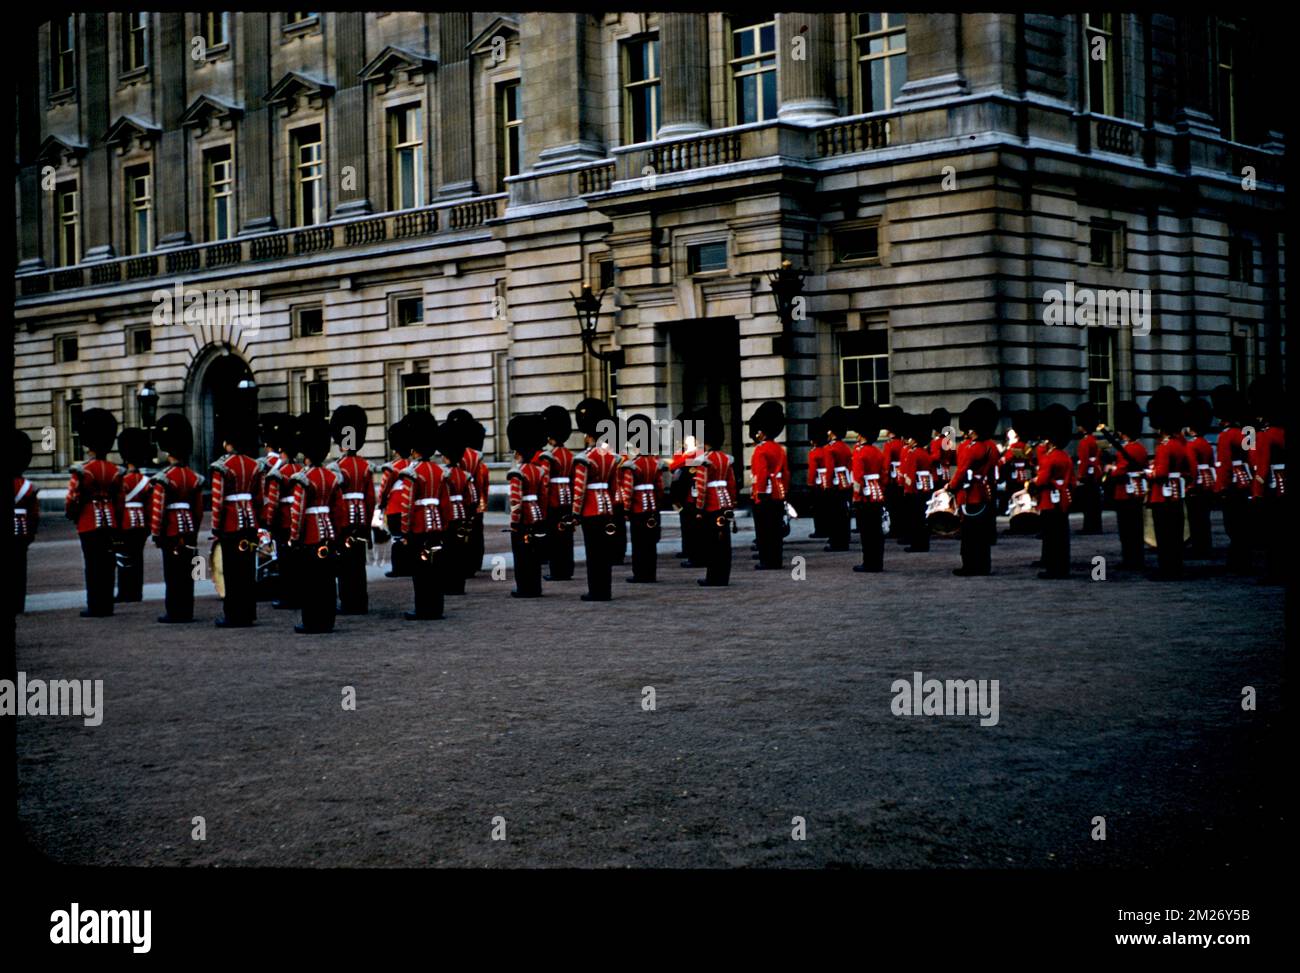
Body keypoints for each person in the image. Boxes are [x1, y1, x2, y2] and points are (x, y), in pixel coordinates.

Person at [289, 415, 343, 634]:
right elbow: (338, 511)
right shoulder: (331, 477)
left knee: (310, 582)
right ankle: (327, 620)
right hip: (328, 532)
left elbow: (298, 511)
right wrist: (337, 535)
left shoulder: (303, 478)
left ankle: (311, 621)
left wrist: (294, 537)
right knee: (328, 580)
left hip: (310, 534)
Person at [209, 409, 263, 627]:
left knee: (232, 572)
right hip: (250, 522)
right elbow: (260, 499)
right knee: (248, 570)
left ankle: (234, 614)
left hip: (231, 523)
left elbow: (217, 501)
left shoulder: (222, 467)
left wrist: (215, 527)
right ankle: (249, 612)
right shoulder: (254, 465)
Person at [66, 408, 121, 617]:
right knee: (108, 564)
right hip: (110, 519)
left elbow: (73, 498)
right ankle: (107, 604)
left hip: (89, 520)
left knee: (92, 564)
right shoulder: (115, 471)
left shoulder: (83, 470)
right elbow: (120, 500)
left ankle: (95, 604)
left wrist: (73, 514)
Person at [148, 413, 203, 624]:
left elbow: (159, 508)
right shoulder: (193, 477)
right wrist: (195, 532)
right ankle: (187, 609)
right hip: (188, 528)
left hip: (171, 529)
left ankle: (175, 610)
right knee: (188, 572)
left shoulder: (164, 478)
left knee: (172, 573)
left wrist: (156, 533)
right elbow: (198, 511)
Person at [398, 410, 451, 620]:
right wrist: (445, 526)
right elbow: (445, 504)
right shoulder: (439, 471)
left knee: (420, 572)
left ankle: (423, 608)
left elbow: (407, 505)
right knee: (435, 569)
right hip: (437, 524)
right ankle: (436, 607)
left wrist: (404, 531)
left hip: (419, 526)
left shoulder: (412, 472)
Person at [572, 398, 620, 602]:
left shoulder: (586, 458)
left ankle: (596, 591)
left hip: (591, 509)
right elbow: (614, 486)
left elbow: (580, 489)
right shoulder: (611, 456)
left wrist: (575, 512)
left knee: (593, 553)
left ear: (587, 435)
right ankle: (605, 589)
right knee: (604, 553)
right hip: (607, 507)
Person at [328, 404, 374, 615]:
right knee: (358, 562)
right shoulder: (364, 466)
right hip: (361, 518)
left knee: (345, 564)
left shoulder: (338, 467)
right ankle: (360, 601)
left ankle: (348, 601)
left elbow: (335, 500)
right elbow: (371, 499)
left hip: (345, 519)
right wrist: (367, 524)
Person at [947, 397, 1000, 576]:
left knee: (970, 534)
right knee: (983, 534)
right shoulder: (992, 446)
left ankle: (970, 565)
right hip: (986, 492)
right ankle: (984, 565)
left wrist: (950, 488)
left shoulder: (971, 448)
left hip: (971, 494)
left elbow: (961, 471)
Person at [1145, 387, 1191, 581]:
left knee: (1164, 536)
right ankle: (1176, 567)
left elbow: (1161, 473)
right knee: (1175, 534)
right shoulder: (1179, 444)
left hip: (1162, 496)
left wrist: (1148, 472)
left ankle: (1167, 569)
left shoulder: (1165, 446)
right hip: (1175, 494)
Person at [1099, 401, 1149, 571]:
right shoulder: (1140, 448)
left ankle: (1131, 560)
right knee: (1136, 528)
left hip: (1125, 492)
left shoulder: (1127, 450)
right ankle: (1137, 558)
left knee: (1127, 531)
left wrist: (1109, 470)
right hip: (1137, 491)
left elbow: (1119, 472)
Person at [619, 413, 668, 583]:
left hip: (638, 507)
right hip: (652, 506)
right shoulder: (655, 462)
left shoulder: (634, 464)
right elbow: (660, 488)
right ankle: (651, 573)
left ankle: (640, 573)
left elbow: (628, 489)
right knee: (650, 542)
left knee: (639, 543)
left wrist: (626, 508)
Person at [1246, 376, 1286, 583]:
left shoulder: (1263, 433)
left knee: (1273, 533)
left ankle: (1275, 571)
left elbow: (1255, 460)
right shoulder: (1278, 430)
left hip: (1270, 485)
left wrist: (1256, 493)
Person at [1028, 403, 1074, 579]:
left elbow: (1041, 480)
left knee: (1052, 537)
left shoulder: (1050, 458)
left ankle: (1054, 569)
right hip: (1063, 499)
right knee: (1062, 536)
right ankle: (1062, 567)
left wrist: (1030, 484)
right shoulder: (1065, 456)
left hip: (1049, 499)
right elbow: (1071, 480)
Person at [506, 413, 550, 599]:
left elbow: (516, 502)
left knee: (522, 556)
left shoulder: (517, 472)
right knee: (534, 555)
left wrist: (514, 522)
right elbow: (544, 496)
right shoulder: (538, 470)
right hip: (537, 514)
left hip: (524, 518)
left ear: (518, 451)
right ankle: (535, 586)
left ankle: (524, 587)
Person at [261, 415, 302, 609]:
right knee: (299, 559)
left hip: (284, 521)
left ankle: (288, 596)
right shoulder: (302, 469)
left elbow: (274, 502)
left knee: (285, 561)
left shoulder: (279, 473)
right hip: (301, 520)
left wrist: (269, 522)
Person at [692, 410, 737, 587]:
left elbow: (701, 487)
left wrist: (699, 509)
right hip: (725, 502)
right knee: (724, 542)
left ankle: (713, 577)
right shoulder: (726, 459)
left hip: (711, 505)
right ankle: (723, 575)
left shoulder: (704, 460)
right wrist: (732, 504)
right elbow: (732, 484)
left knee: (712, 543)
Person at [1211, 384, 1252, 573]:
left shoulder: (1226, 436)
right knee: (1243, 524)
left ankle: (1238, 561)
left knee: (1233, 526)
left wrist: (1221, 488)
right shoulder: (1245, 431)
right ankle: (1244, 558)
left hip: (1233, 485)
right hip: (1246, 482)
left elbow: (1224, 464)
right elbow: (1252, 454)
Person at [446, 409, 489, 578]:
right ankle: (473, 563)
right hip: (475, 496)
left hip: (460, 499)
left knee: (458, 533)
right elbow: (481, 479)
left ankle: (461, 564)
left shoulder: (456, 454)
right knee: (475, 530)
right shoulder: (475, 456)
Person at [113, 427, 154, 603]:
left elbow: (118, 503)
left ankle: (125, 592)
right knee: (137, 557)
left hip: (125, 522)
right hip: (141, 523)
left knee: (123, 557)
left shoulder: (121, 480)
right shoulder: (146, 481)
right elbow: (151, 506)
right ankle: (136, 592)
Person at [748, 401, 789, 570]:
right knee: (776, 529)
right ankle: (776, 559)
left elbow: (762, 474)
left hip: (764, 494)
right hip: (778, 493)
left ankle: (767, 560)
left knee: (764, 529)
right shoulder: (779, 449)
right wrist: (784, 491)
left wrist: (760, 493)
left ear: (762, 432)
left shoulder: (761, 450)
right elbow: (786, 474)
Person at [438, 416, 474, 596]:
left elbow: (442, 499)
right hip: (461, 515)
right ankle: (458, 585)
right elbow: (471, 499)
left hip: (448, 516)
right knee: (459, 552)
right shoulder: (464, 474)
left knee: (447, 553)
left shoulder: (443, 475)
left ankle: (449, 584)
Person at [541, 404, 577, 581]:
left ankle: (557, 571)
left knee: (555, 538)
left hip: (554, 499)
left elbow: (545, 483)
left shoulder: (549, 456)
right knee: (566, 536)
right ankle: (567, 568)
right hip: (568, 499)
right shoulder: (570, 455)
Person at [850, 401, 887, 573]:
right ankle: (877, 562)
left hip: (865, 495)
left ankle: (869, 562)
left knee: (867, 532)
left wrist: (855, 497)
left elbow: (857, 478)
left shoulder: (859, 452)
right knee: (877, 532)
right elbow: (883, 476)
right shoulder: (877, 452)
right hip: (877, 494)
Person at [377, 418, 413, 578]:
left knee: (396, 538)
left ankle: (399, 568)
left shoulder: (393, 467)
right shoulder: (412, 465)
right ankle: (409, 566)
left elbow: (384, 488)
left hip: (395, 506)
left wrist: (381, 503)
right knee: (408, 537)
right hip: (409, 506)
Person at [669, 410, 706, 566]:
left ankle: (694, 553)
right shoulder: (686, 452)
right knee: (685, 522)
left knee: (693, 525)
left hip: (694, 492)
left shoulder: (697, 453)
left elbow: (675, 465)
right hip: (684, 492)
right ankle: (688, 549)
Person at [1183, 398, 1216, 559]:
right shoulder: (1206, 443)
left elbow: (1192, 468)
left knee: (1195, 519)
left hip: (1196, 486)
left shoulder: (1191, 445)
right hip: (1208, 483)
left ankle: (1199, 548)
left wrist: (1191, 485)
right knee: (1204, 518)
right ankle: (1205, 546)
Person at [901, 413, 937, 553]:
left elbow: (910, 474)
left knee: (915, 519)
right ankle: (923, 543)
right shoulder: (924, 452)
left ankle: (917, 544)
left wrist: (908, 490)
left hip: (915, 489)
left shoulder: (913, 453)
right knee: (922, 517)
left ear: (914, 439)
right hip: (926, 487)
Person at [821, 406, 854, 552]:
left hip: (834, 484)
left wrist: (827, 485)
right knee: (844, 513)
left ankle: (836, 542)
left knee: (834, 514)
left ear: (830, 431)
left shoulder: (830, 449)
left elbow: (829, 470)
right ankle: (844, 539)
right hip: (845, 483)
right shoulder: (846, 447)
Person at [14, 430, 39, 615]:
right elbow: (34, 515)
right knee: (20, 569)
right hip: (22, 531)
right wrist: (31, 533)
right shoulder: (28, 487)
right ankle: (18, 603)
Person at [1073, 402, 1104, 535]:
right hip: (1095, 473)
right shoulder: (1093, 439)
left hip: (1088, 475)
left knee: (1089, 502)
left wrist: (1080, 475)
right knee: (1094, 502)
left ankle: (1090, 526)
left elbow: (1084, 461)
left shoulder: (1085, 441)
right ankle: (1095, 525)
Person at [879, 406, 906, 538]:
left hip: (892, 477)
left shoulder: (890, 445)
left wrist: (883, 481)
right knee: (902, 504)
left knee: (893, 504)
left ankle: (895, 528)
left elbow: (885, 465)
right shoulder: (904, 442)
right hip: (903, 477)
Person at [805, 415, 829, 540]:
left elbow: (812, 471)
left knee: (818, 508)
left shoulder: (814, 452)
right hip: (828, 481)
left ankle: (820, 529)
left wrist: (810, 483)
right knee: (827, 507)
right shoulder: (827, 450)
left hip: (818, 482)